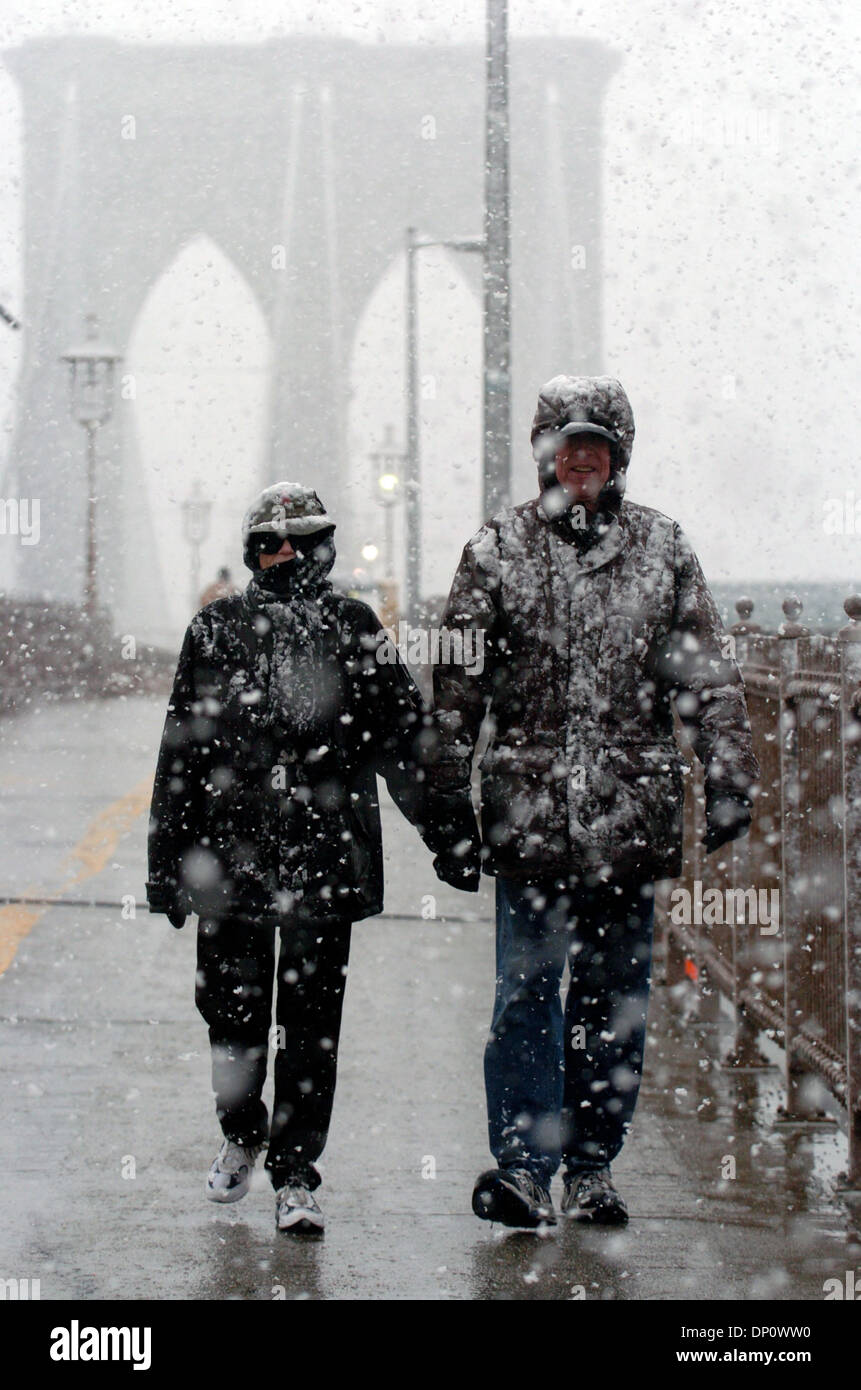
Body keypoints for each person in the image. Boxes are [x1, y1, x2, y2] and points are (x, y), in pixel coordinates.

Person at [427, 375, 760, 1229]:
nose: (578, 461)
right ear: (544, 453)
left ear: (617, 458)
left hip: (628, 820)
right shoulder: (494, 550)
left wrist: (727, 774)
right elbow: (456, 688)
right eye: (565, 446)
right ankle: (524, 1168)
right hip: (527, 820)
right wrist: (445, 811)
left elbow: (703, 675)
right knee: (525, 996)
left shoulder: (662, 549)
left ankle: (589, 1166)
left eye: (595, 447)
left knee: (612, 1002)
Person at [147, 482, 428, 1234]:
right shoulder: (214, 631)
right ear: (250, 553)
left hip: (324, 859)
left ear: (322, 547)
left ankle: (296, 1173)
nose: (283, 555)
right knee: (231, 1015)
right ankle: (241, 1132)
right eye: (268, 543)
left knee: (309, 1025)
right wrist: (165, 863)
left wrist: (449, 833)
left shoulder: (354, 627)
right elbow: (181, 754)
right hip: (228, 864)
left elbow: (405, 741)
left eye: (297, 542)